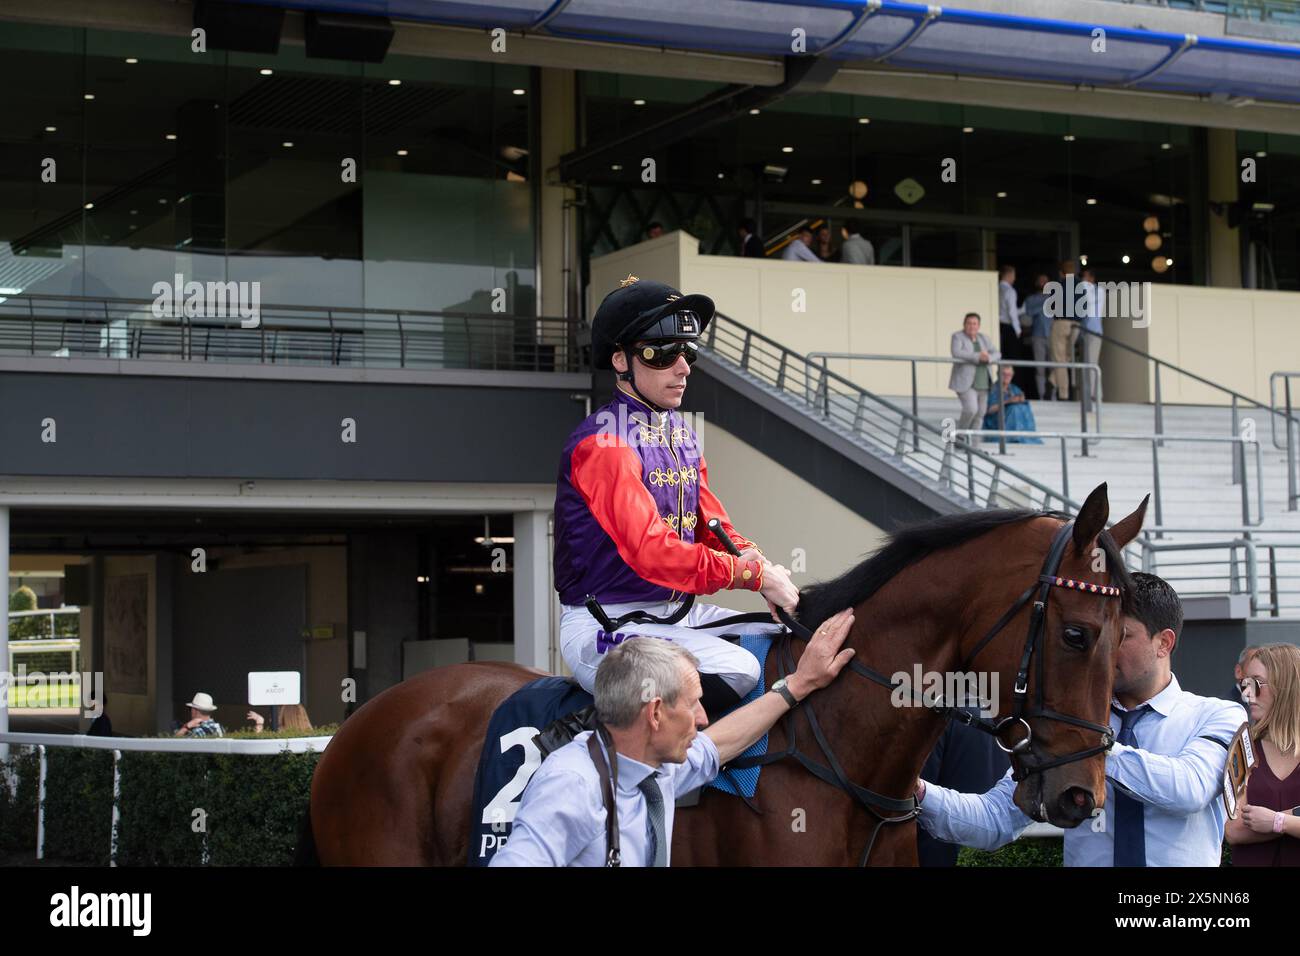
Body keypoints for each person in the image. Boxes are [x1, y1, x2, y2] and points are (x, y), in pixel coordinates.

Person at [554, 276, 800, 715]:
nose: (683, 366)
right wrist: (752, 578)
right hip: (606, 624)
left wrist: (760, 567)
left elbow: (714, 528)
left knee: (795, 635)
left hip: (674, 615)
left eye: (688, 352)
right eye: (664, 353)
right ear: (621, 360)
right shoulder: (603, 444)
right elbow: (651, 552)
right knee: (739, 668)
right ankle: (621, 751)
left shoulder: (681, 433)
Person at [915, 572, 1247, 866]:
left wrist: (1087, 744)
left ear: (1164, 643)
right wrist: (917, 793)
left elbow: (1189, 789)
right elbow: (995, 819)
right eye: (1099, 636)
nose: (1103, 651)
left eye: (1121, 637)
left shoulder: (1219, 715)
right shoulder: (1068, 725)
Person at [491, 612, 856, 866]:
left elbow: (718, 744)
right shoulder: (573, 785)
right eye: (694, 704)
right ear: (655, 714)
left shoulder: (655, 769)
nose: (703, 718)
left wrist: (800, 684)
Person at [1226, 643, 1300, 866]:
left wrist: (1277, 821)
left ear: (1285, 686)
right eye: (1245, 684)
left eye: (1256, 683)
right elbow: (1234, 830)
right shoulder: (1242, 746)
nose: (1247, 694)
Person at [916, 719, 1010, 867]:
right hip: (997, 849)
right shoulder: (1004, 719)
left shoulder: (937, 716)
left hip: (934, 850)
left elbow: (910, 800)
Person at [948, 312, 998, 439]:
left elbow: (997, 353)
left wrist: (989, 358)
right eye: (969, 323)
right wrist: (978, 356)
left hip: (983, 382)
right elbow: (957, 353)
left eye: (974, 324)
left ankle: (974, 445)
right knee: (971, 409)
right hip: (966, 382)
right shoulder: (957, 336)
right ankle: (960, 435)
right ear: (964, 324)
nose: (972, 326)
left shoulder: (984, 338)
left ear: (979, 326)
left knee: (980, 414)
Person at [982, 365, 1042, 443]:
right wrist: (1008, 401)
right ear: (998, 375)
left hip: (1014, 418)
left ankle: (1023, 435)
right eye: (1004, 374)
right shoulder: (992, 389)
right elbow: (988, 410)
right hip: (996, 421)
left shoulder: (1015, 388)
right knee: (1014, 409)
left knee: (1023, 407)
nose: (1007, 377)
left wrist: (1020, 400)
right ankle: (1013, 436)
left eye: (1009, 375)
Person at [1048, 259, 1080, 401]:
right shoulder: (1081, 285)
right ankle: (1051, 382)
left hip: (1061, 323)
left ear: (1061, 272)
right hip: (1076, 325)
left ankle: (1063, 393)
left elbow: (1051, 306)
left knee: (1059, 359)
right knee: (1067, 357)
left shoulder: (1058, 285)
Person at [1024, 273, 1052, 399]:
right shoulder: (1031, 299)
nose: (1043, 283)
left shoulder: (1055, 298)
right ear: (1036, 283)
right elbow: (1029, 312)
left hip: (1053, 336)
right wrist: (1045, 305)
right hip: (1038, 336)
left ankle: (1053, 396)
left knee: (1054, 368)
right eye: (1041, 281)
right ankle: (1042, 396)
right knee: (1040, 369)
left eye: (1045, 281)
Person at [1079, 266, 1103, 403]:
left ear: (1092, 278)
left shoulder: (1098, 291)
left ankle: (1093, 395)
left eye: (1085, 276)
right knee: (1089, 363)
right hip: (1086, 331)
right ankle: (1094, 394)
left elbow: (1088, 301)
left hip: (1094, 331)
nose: (1083, 279)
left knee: (1092, 363)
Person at [246, 704, 312, 733]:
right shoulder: (310, 735)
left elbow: (259, 747)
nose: (270, 719)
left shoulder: (280, 735)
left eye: (276, 714)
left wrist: (259, 723)